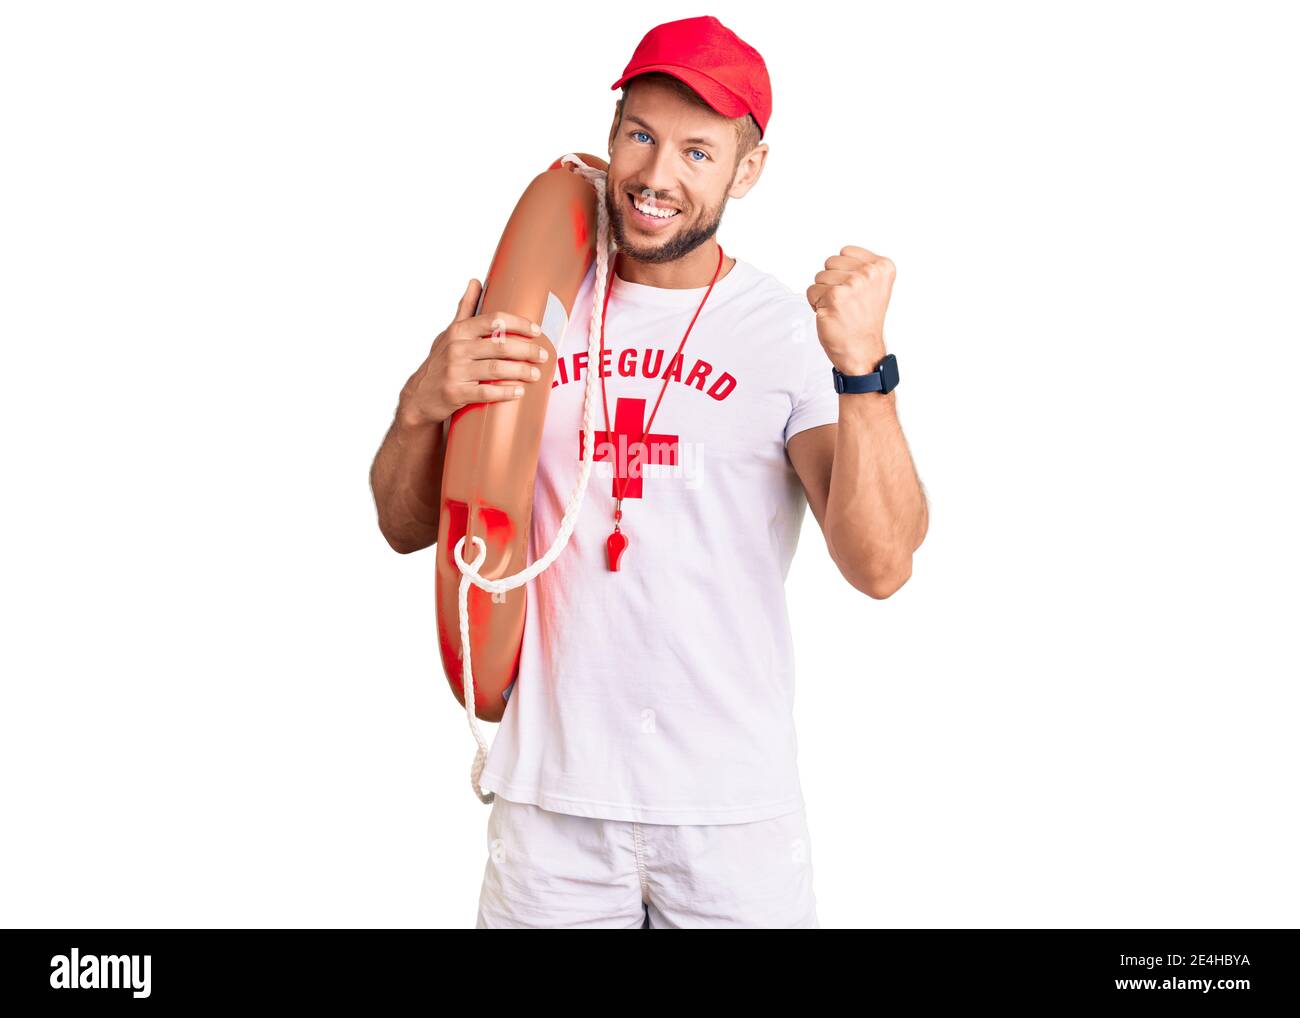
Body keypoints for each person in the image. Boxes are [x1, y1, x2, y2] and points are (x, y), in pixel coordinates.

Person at [369, 15, 928, 928]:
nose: (657, 177)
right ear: (612, 132)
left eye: (698, 153)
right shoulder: (533, 309)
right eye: (641, 135)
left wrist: (864, 368)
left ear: (748, 171)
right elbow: (403, 524)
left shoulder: (785, 332)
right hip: (552, 803)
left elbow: (881, 566)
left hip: (731, 815)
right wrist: (419, 406)